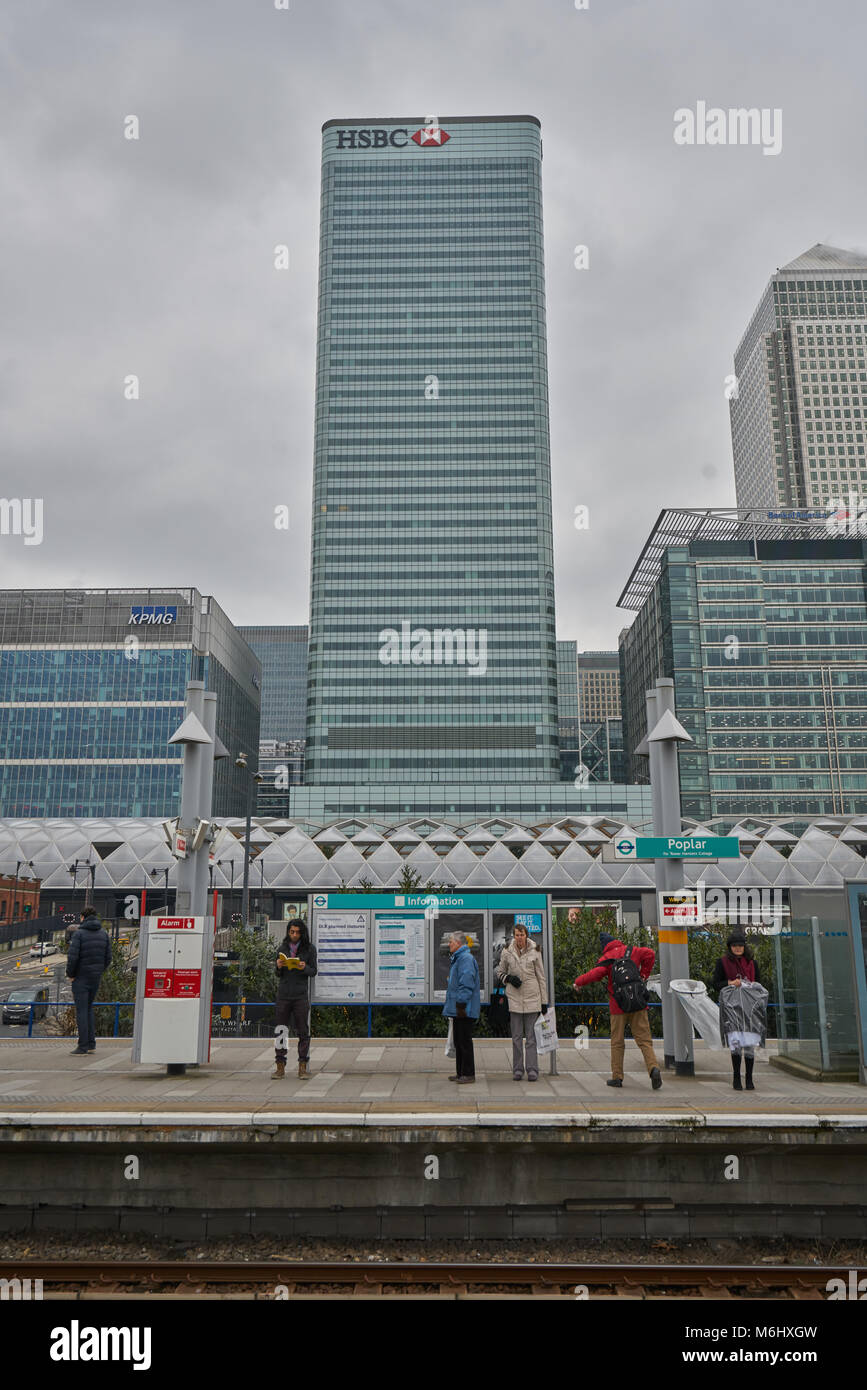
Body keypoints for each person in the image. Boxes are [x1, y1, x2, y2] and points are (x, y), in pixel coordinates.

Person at [573, 932, 662, 1090]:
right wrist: (643, 975)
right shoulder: (633, 950)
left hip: (618, 1005)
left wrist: (578, 982)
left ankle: (617, 1077)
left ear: (604, 947)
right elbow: (650, 954)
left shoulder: (606, 958)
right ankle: (653, 1068)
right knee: (644, 1040)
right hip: (638, 1003)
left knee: (617, 1042)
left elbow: (595, 974)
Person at [497, 923, 549, 1081]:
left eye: (522, 935)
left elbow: (541, 976)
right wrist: (509, 979)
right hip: (514, 999)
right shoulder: (507, 951)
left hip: (532, 999)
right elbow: (500, 972)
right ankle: (518, 1069)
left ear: (526, 935)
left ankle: (532, 1070)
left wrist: (544, 1002)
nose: (519, 938)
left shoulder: (536, 950)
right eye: (517, 935)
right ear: (514, 936)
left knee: (531, 1038)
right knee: (516, 1037)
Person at [712, 931, 762, 1091]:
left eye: (740, 945)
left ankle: (749, 1078)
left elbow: (760, 984)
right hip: (732, 1008)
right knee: (735, 1042)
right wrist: (730, 983)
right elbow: (715, 983)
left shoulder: (752, 963)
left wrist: (750, 985)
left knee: (749, 1043)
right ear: (730, 947)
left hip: (750, 1008)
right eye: (735, 945)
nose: (738, 948)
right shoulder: (723, 962)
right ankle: (735, 1077)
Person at [272, 919, 317, 1080]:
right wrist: (278, 965)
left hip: (300, 995)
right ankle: (280, 1066)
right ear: (288, 932)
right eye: (292, 932)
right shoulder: (282, 948)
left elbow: (313, 971)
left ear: (302, 933)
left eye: (297, 932)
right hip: (284, 994)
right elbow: (277, 973)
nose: (294, 935)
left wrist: (304, 967)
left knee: (303, 1031)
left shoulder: (310, 949)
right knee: (281, 1030)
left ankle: (302, 1066)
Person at [66, 907, 112, 1055]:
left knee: (81, 1011)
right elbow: (108, 957)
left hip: (80, 977)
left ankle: (83, 1045)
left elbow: (73, 958)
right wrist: (99, 971)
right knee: (89, 1009)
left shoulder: (79, 934)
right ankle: (91, 1043)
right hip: (95, 977)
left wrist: (71, 974)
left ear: (82, 917)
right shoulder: (104, 934)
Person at [442, 932, 480, 1084]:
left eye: (451, 942)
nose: (449, 944)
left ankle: (469, 1074)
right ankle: (460, 1073)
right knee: (458, 1041)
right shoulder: (459, 958)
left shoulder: (465, 959)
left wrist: (461, 1004)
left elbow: (466, 982)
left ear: (458, 943)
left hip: (464, 1008)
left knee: (464, 1041)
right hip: (459, 1008)